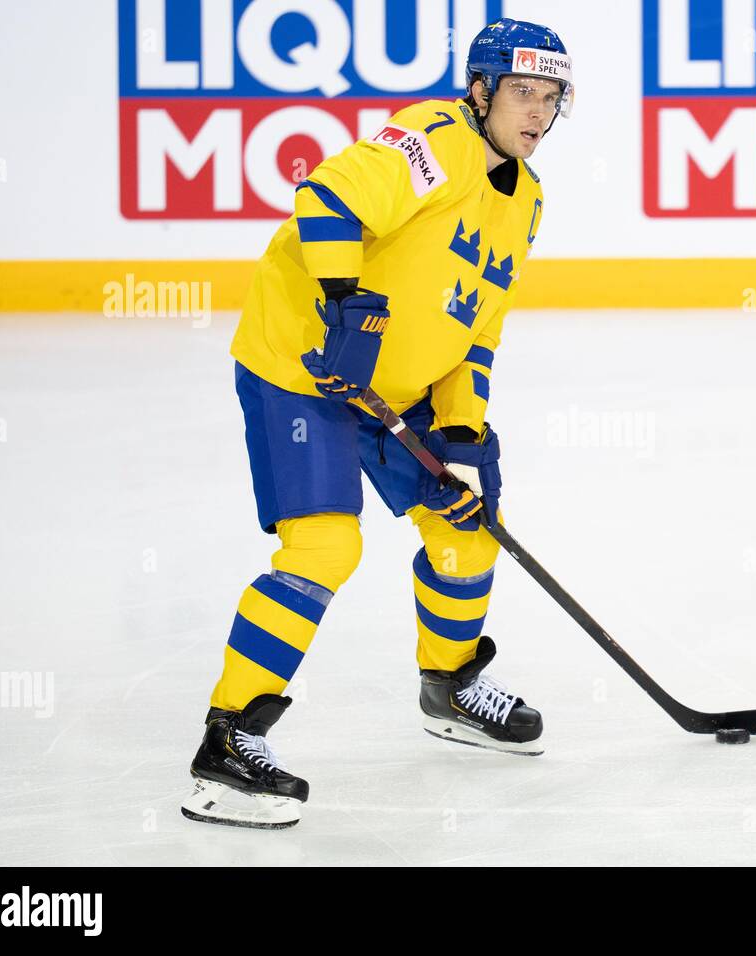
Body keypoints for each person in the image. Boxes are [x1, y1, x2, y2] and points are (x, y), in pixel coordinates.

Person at [181, 17, 574, 829]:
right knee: (325, 545)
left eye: (551, 97)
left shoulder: (527, 201)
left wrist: (462, 433)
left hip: (397, 389)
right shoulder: (434, 139)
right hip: (303, 367)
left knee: (469, 528)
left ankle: (452, 686)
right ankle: (228, 742)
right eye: (522, 92)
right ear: (481, 91)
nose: (536, 112)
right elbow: (326, 197)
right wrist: (339, 304)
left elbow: (478, 328)